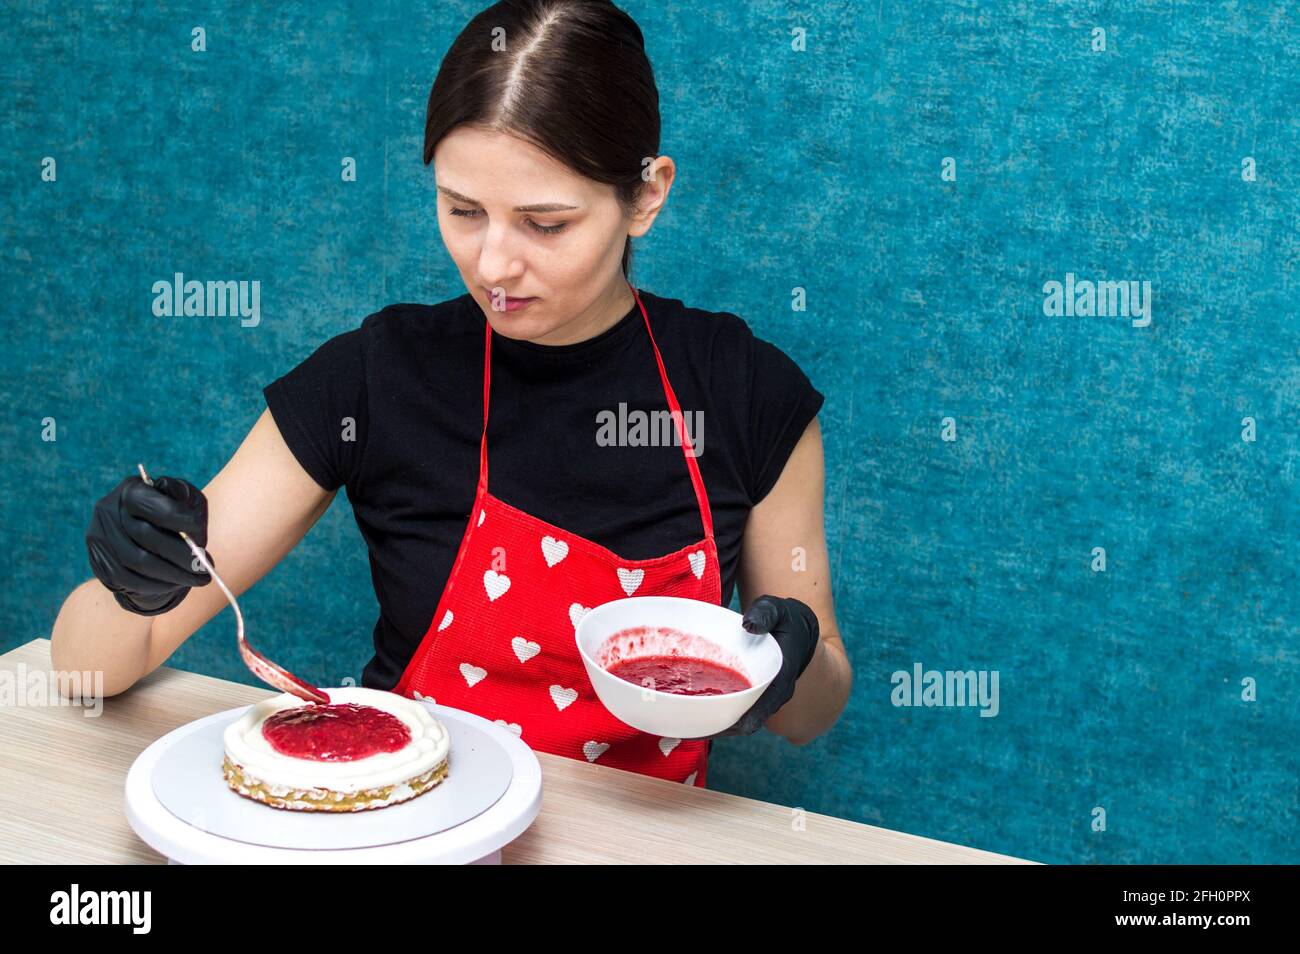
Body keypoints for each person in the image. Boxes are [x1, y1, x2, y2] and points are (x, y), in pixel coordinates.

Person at [55, 0, 852, 788]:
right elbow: (85, 670)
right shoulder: (371, 378)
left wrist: (795, 659)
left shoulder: (747, 393)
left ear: (645, 195)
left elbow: (809, 714)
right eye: (463, 210)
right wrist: (134, 578)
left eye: (545, 223)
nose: (494, 265)